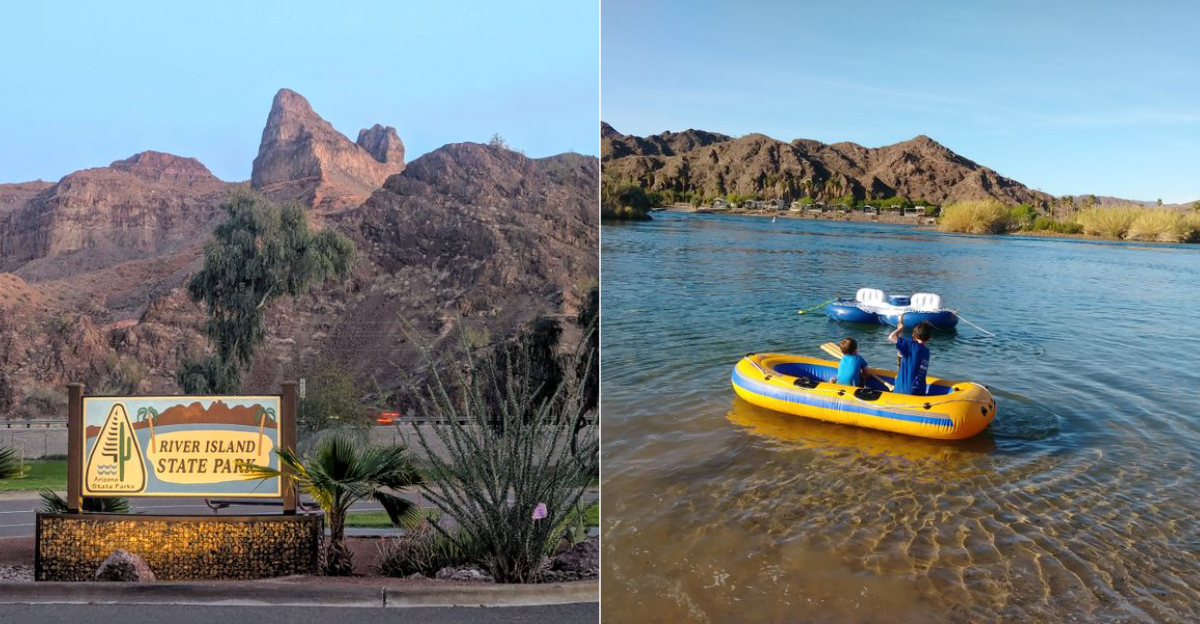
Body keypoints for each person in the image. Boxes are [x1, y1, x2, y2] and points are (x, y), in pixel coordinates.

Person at [888, 317, 931, 395]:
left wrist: (900, 328)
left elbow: (891, 337)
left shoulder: (911, 345)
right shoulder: (927, 351)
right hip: (919, 392)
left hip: (903, 391)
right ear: (929, 339)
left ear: (913, 336)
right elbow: (911, 358)